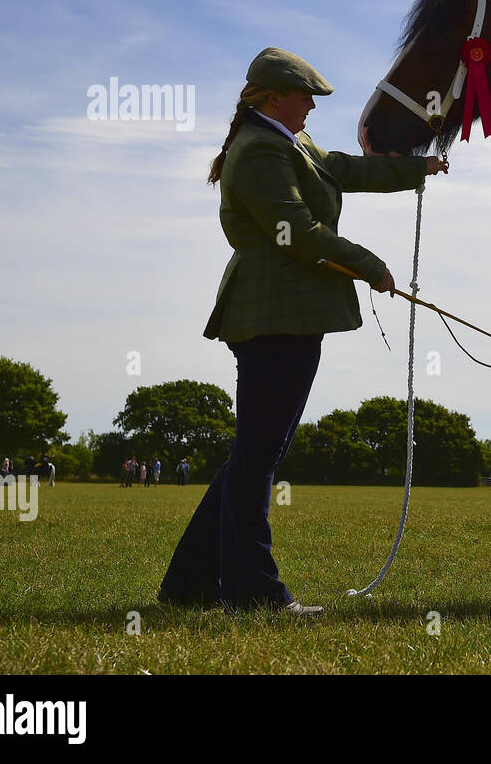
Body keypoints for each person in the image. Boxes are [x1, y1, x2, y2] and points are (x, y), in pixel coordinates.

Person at [157, 48, 447, 617]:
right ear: (273, 99)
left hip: (288, 314)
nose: (313, 105)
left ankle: (188, 585)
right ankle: (254, 593)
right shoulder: (261, 149)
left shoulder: (289, 141)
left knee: (256, 452)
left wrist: (417, 169)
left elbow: (346, 168)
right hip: (271, 315)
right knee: (259, 455)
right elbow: (297, 232)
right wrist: (369, 263)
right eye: (305, 96)